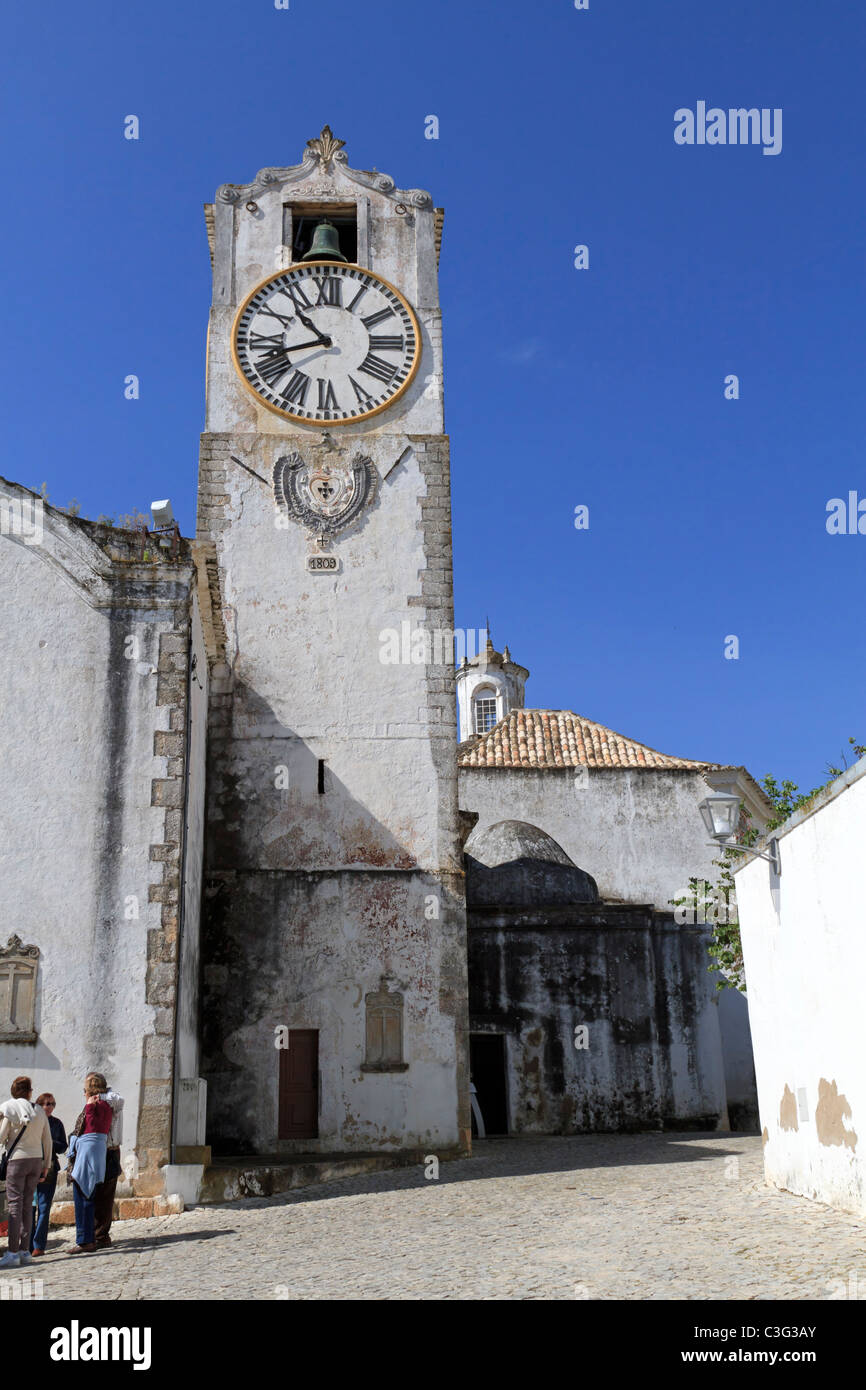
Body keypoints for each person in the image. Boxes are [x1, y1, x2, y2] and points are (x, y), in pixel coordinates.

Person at [0, 1076, 53, 1269]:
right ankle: (25, 1251)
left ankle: (12, 1252)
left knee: (14, 1205)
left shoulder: (9, 1108)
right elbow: (47, 1140)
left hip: (17, 1160)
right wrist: (46, 1164)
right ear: (29, 1091)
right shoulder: (38, 1110)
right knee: (28, 1205)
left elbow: (0, 1137)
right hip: (36, 1160)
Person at [65, 1075, 112, 1255]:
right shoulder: (108, 1105)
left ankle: (84, 1240)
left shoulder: (94, 1106)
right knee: (89, 1194)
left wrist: (88, 1105)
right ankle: (89, 1238)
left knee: (82, 1194)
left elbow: (91, 1124)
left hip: (88, 1149)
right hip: (98, 1149)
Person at [29, 1093, 67, 1256]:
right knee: (29, 1208)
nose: (48, 1106)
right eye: (45, 1103)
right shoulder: (31, 1121)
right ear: (38, 1105)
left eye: (51, 1103)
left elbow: (63, 1146)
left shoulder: (56, 1123)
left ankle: (39, 1245)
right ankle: (27, 1244)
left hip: (49, 1168)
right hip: (31, 1167)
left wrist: (49, 1142)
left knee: (44, 1208)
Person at [89, 1074, 124, 1248]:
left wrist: (98, 1097)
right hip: (106, 1150)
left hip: (108, 1151)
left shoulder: (108, 1102)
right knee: (99, 1194)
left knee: (104, 1195)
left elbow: (118, 1098)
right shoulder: (106, 1102)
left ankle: (101, 1235)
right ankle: (98, 1233)